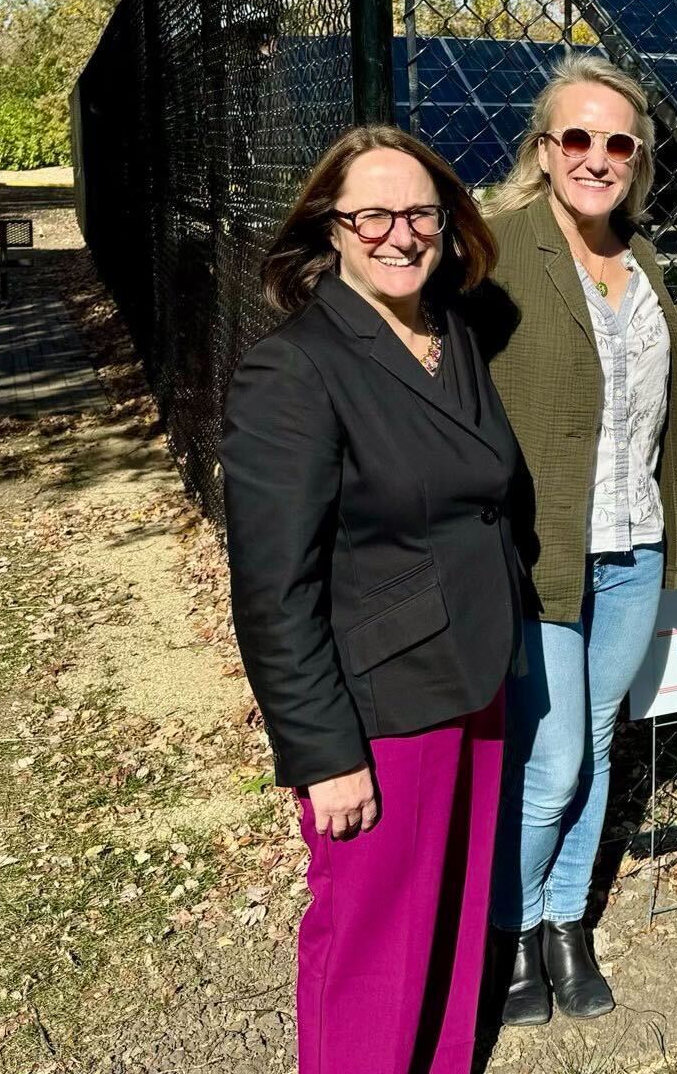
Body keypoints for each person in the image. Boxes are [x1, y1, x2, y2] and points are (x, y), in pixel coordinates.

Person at [221, 127, 523, 1074]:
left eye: (421, 212)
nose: (401, 234)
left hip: (476, 677)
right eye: (373, 215)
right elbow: (274, 588)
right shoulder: (297, 368)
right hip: (383, 705)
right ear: (333, 230)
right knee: (373, 954)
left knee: (454, 931)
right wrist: (326, 755)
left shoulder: (450, 333)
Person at [481, 54, 677, 1023]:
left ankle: (564, 926)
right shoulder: (496, 250)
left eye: (617, 142)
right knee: (549, 762)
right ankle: (506, 936)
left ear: (637, 159)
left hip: (634, 549)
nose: (597, 157)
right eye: (576, 138)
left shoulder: (638, 263)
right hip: (541, 555)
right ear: (545, 150)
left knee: (595, 740)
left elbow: (634, 357)